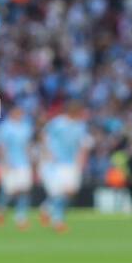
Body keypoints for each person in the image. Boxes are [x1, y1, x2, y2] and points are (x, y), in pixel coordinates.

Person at [38, 99, 91, 231]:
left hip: (72, 163)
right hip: (57, 163)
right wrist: (48, 152)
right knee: (60, 192)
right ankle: (58, 221)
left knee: (70, 192)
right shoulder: (58, 123)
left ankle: (46, 208)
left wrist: (82, 160)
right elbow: (44, 135)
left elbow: (83, 144)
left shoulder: (80, 126)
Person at [0, 104, 34, 228]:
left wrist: (31, 161)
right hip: (9, 163)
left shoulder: (26, 127)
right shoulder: (5, 128)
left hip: (23, 163)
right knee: (9, 191)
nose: (20, 115)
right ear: (12, 113)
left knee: (25, 191)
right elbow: (0, 147)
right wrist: (4, 162)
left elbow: (27, 146)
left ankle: (21, 217)